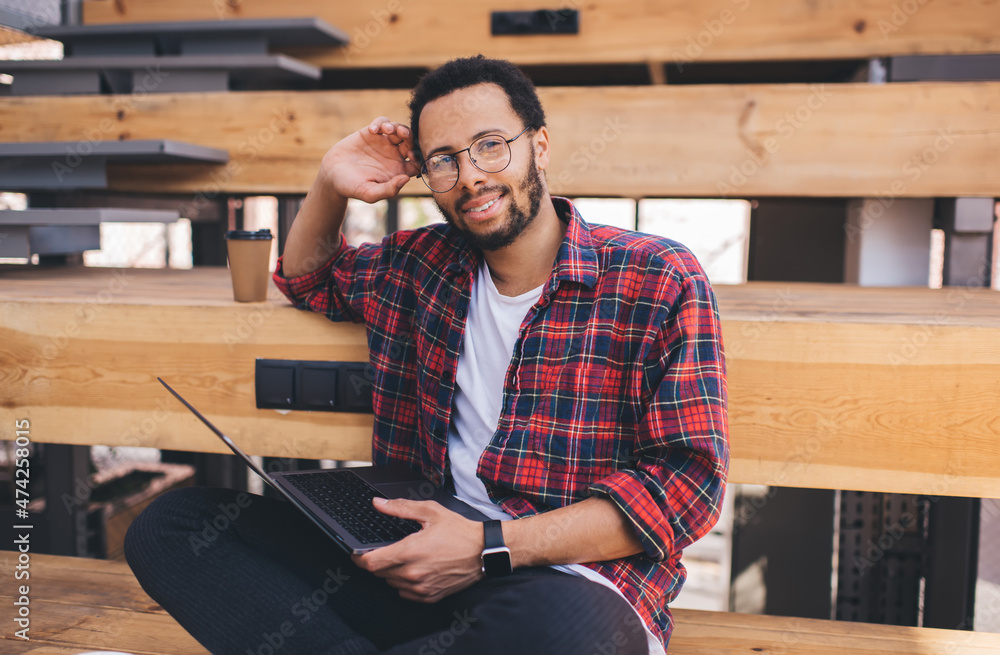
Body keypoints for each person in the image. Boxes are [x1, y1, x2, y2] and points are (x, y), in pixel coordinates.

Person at [124, 55, 728, 655]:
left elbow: (688, 488)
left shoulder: (656, 276)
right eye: (444, 160)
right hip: (409, 556)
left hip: (558, 583)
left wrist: (488, 545)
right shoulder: (423, 264)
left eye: (490, 146)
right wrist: (332, 180)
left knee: (573, 635)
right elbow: (310, 278)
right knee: (174, 526)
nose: (470, 176)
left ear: (539, 146)